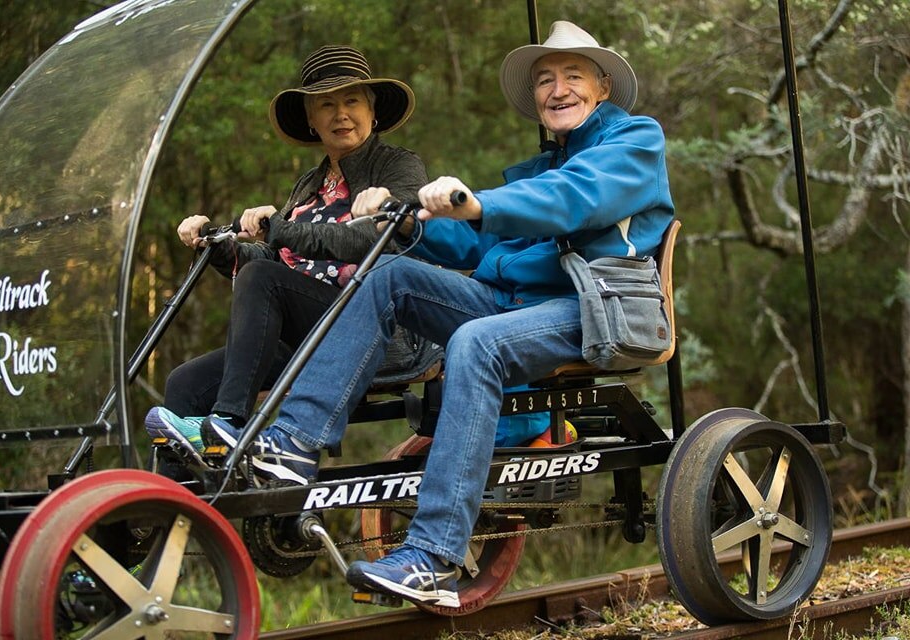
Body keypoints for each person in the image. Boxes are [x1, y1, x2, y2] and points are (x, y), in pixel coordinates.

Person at [205, 21, 674, 607]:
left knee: (476, 342)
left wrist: (478, 202)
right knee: (392, 276)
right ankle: (292, 445)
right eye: (545, 80)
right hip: (510, 305)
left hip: (592, 310)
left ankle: (432, 555)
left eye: (572, 76)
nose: (558, 90)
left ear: (602, 86)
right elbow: (478, 249)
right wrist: (403, 221)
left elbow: (575, 199)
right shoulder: (538, 167)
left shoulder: (633, 142)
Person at [144, 45, 430, 465]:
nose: (341, 114)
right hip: (305, 331)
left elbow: (371, 240)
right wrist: (220, 248)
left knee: (261, 276)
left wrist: (280, 229)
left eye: (352, 100)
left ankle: (228, 422)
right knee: (185, 383)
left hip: (369, 325)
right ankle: (175, 510)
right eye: (326, 105)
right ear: (312, 121)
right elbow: (278, 261)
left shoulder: (399, 168)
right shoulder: (308, 184)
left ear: (372, 110)